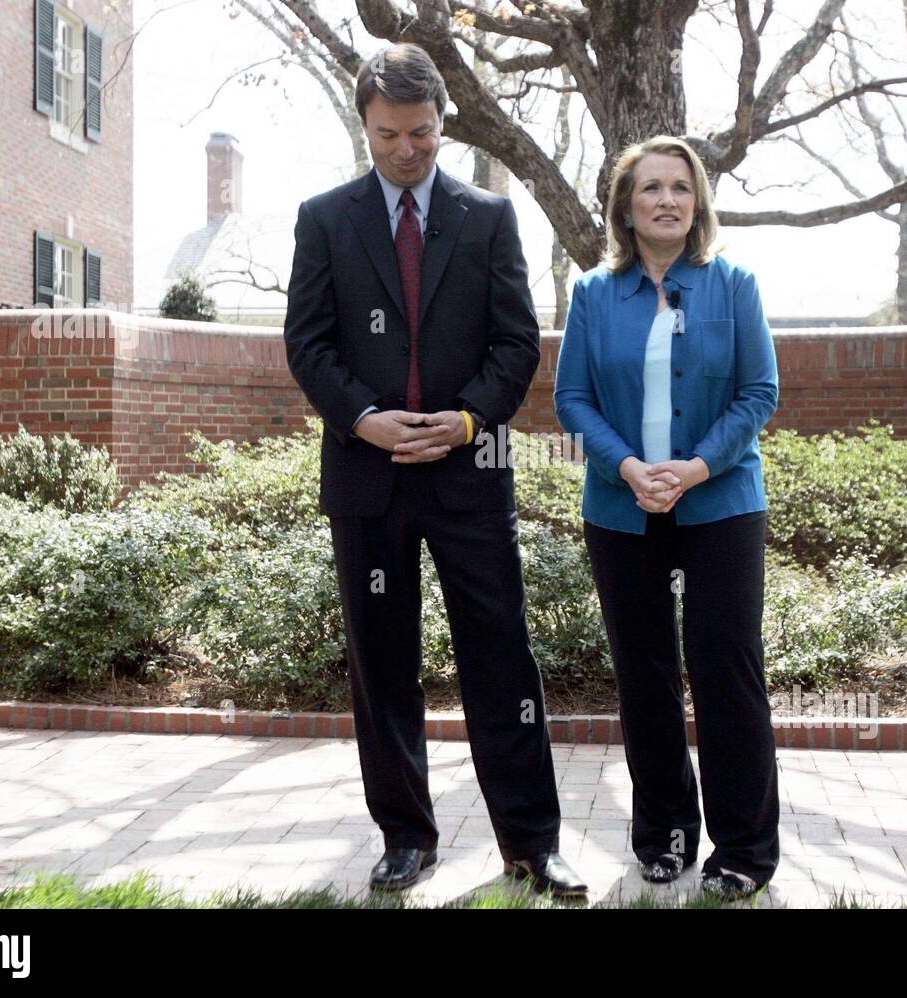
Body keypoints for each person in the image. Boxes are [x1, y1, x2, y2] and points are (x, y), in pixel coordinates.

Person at [283, 43, 586, 898]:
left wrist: (461, 422)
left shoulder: (489, 217)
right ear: (365, 126)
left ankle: (533, 842)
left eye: (420, 133)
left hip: (466, 473)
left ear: (443, 123)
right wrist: (366, 421)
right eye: (388, 135)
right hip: (367, 477)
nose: (406, 150)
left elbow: (516, 343)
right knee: (382, 663)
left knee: (501, 658)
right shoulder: (325, 219)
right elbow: (307, 343)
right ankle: (406, 839)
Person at [553, 135, 780, 900]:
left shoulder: (734, 284)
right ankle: (665, 840)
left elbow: (759, 393)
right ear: (625, 205)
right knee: (644, 678)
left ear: (698, 201)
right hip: (621, 510)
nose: (667, 200)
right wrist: (626, 467)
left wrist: (694, 469)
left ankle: (744, 851)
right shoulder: (592, 294)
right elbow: (571, 400)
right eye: (650, 187)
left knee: (726, 670)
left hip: (720, 506)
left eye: (681, 187)